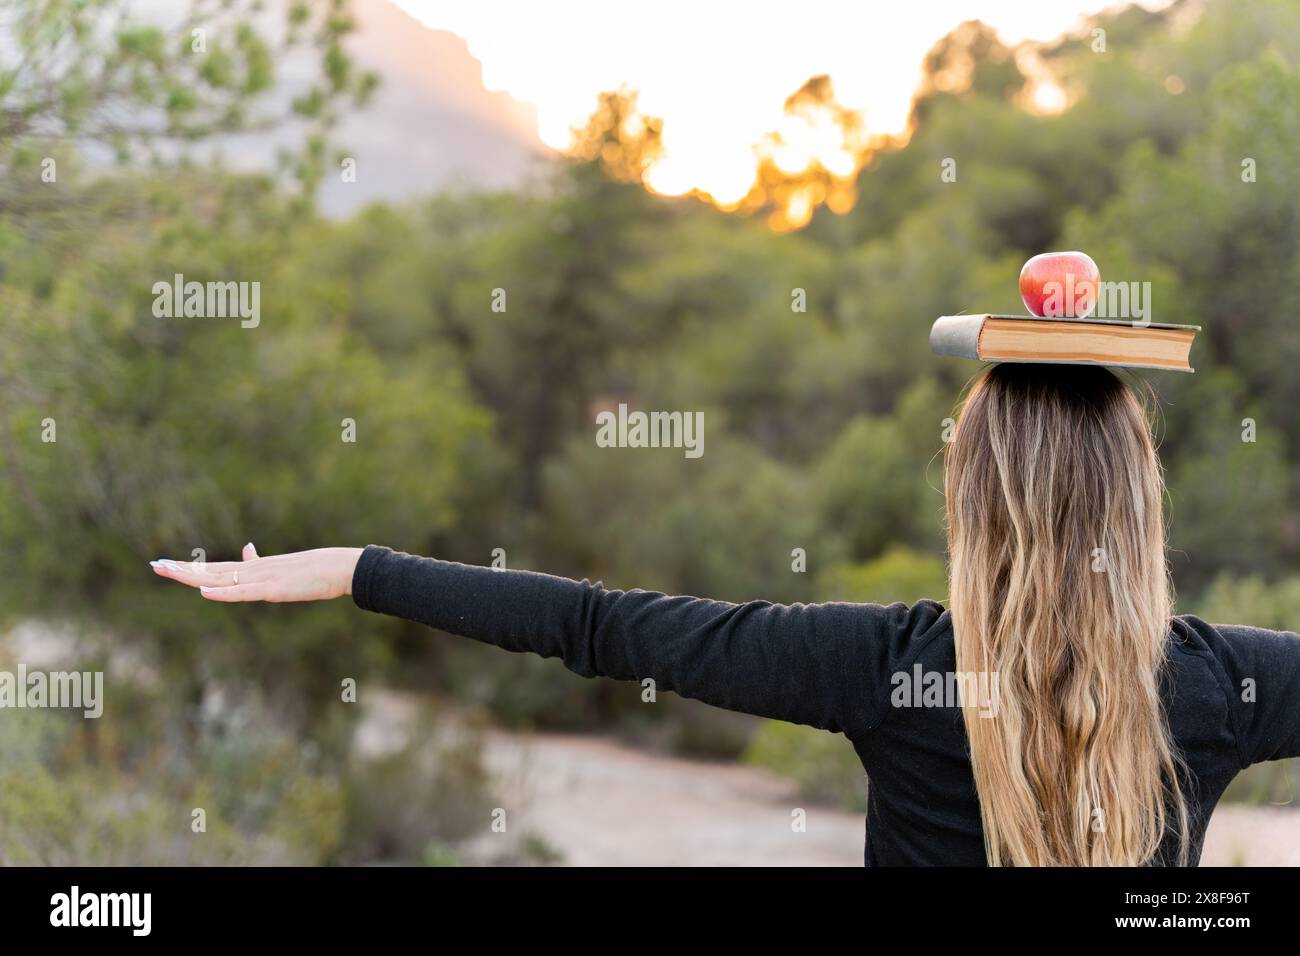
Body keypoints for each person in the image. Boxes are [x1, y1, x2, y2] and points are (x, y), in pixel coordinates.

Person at [150, 362, 1300, 866]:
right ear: (1139, 499)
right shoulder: (1222, 685)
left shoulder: (878, 662)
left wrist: (363, 567)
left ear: (971, 494)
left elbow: (602, 627)